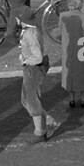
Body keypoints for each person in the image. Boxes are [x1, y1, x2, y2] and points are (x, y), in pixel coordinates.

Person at [17, 11, 58, 141]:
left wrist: (25, 60)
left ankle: (40, 131)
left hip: (33, 69)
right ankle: (49, 121)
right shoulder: (31, 31)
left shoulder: (30, 34)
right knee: (25, 99)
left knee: (31, 100)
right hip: (30, 69)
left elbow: (38, 57)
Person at [57, 0, 84, 109]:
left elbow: (60, 32)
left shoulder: (62, 16)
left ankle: (72, 98)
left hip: (69, 49)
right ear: (81, 4)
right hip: (83, 48)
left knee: (70, 72)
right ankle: (83, 98)